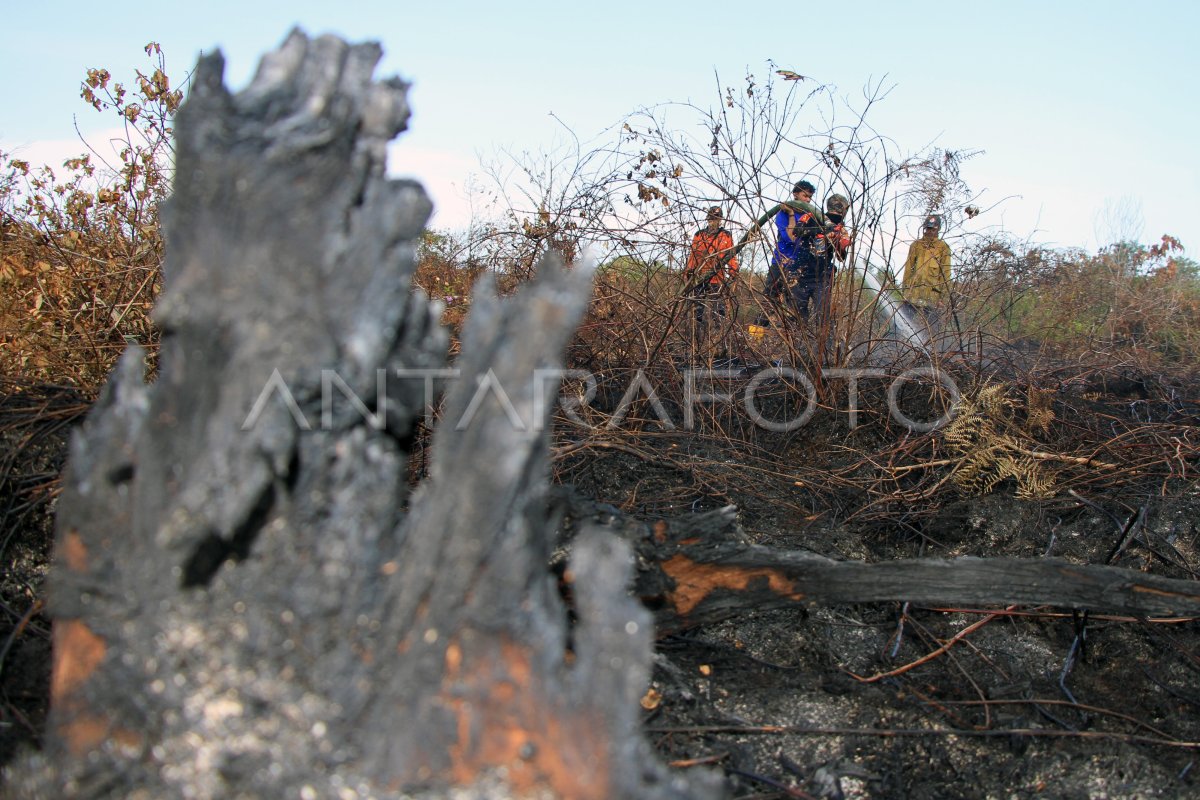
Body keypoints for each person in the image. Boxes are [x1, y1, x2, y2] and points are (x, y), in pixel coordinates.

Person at [763, 180, 824, 322]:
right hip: (780, 263)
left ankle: (796, 340)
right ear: (795, 195)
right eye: (805, 196)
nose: (808, 200)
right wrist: (791, 213)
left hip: (800, 267)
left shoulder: (812, 215)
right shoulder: (783, 213)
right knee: (768, 303)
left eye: (810, 197)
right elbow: (791, 237)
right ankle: (756, 337)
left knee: (796, 309)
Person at [684, 205, 739, 335]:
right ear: (708, 219)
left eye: (717, 219)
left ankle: (718, 337)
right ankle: (696, 337)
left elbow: (731, 256)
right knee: (697, 310)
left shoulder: (726, 236)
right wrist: (688, 273)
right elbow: (693, 256)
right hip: (700, 277)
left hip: (717, 278)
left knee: (718, 311)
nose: (714, 221)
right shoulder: (699, 235)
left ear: (721, 220)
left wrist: (733, 272)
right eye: (712, 218)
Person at [808, 193, 853, 327]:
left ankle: (820, 344)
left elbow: (841, 256)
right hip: (808, 271)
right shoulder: (814, 218)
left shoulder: (840, 228)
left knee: (820, 316)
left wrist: (839, 243)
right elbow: (841, 257)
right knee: (816, 316)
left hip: (817, 273)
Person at [901, 213, 952, 330]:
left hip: (932, 297)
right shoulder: (916, 245)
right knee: (900, 323)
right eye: (928, 228)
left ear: (938, 229)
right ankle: (892, 346)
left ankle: (933, 347)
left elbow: (946, 274)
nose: (929, 232)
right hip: (913, 294)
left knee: (933, 329)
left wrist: (942, 298)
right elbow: (908, 270)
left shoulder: (943, 248)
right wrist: (905, 292)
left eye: (932, 229)